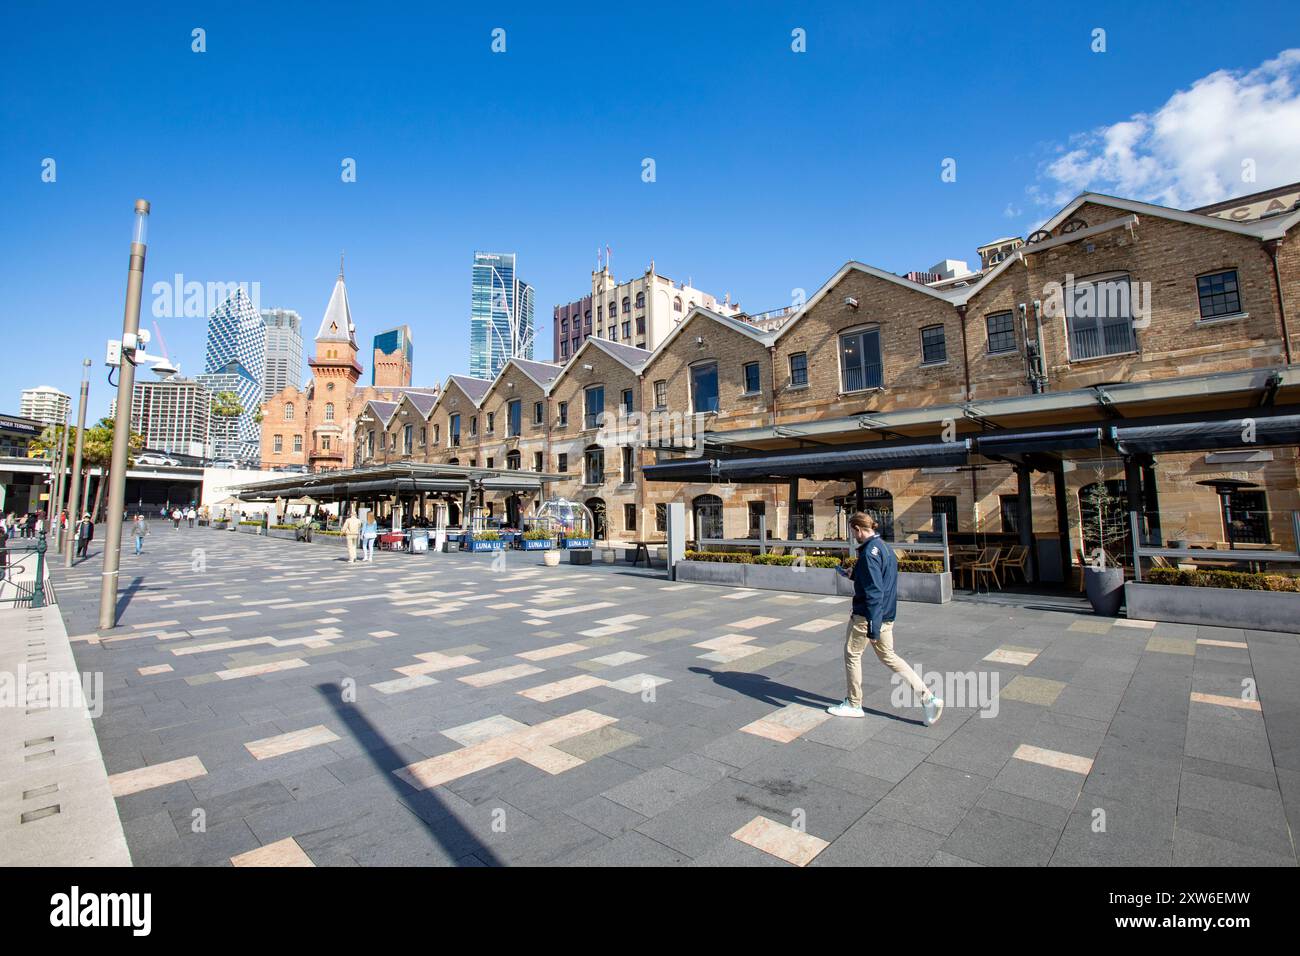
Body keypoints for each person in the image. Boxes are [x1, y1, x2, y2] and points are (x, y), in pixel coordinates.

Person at [828, 512, 944, 725]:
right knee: (890, 657)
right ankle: (928, 698)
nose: (853, 537)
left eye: (853, 532)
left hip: (868, 615)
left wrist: (872, 626)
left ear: (858, 529)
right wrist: (853, 573)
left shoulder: (868, 554)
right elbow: (880, 578)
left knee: (852, 655)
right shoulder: (883, 548)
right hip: (886, 614)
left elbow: (874, 591)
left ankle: (854, 704)